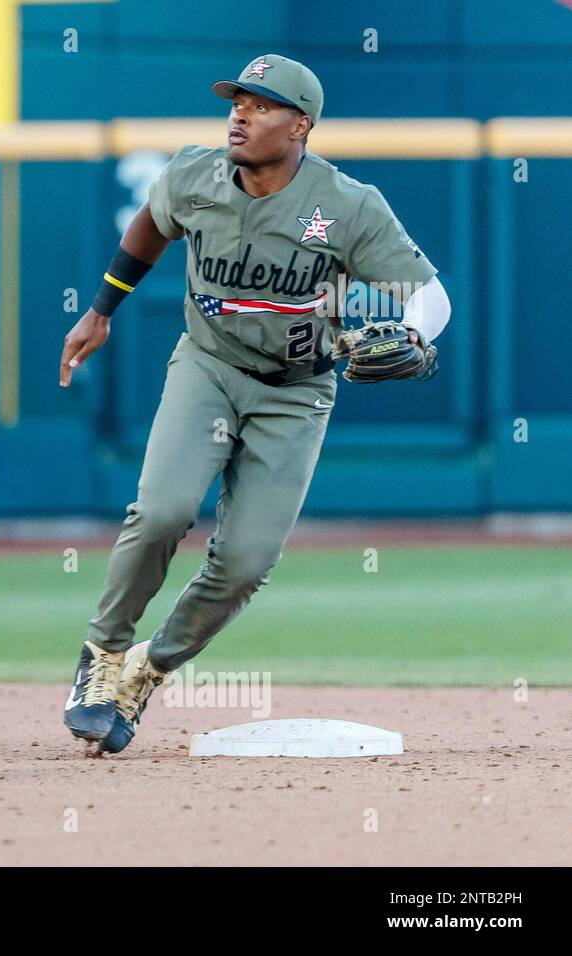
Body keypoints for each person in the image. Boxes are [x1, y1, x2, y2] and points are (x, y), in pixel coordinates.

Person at [59, 54, 451, 754]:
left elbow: (430, 295)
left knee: (243, 564)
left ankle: (148, 670)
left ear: (301, 125)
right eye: (237, 101)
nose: (241, 114)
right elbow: (149, 225)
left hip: (296, 391)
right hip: (209, 365)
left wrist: (416, 332)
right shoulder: (194, 174)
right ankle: (103, 657)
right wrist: (102, 310)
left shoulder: (348, 204)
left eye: (262, 105)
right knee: (160, 513)